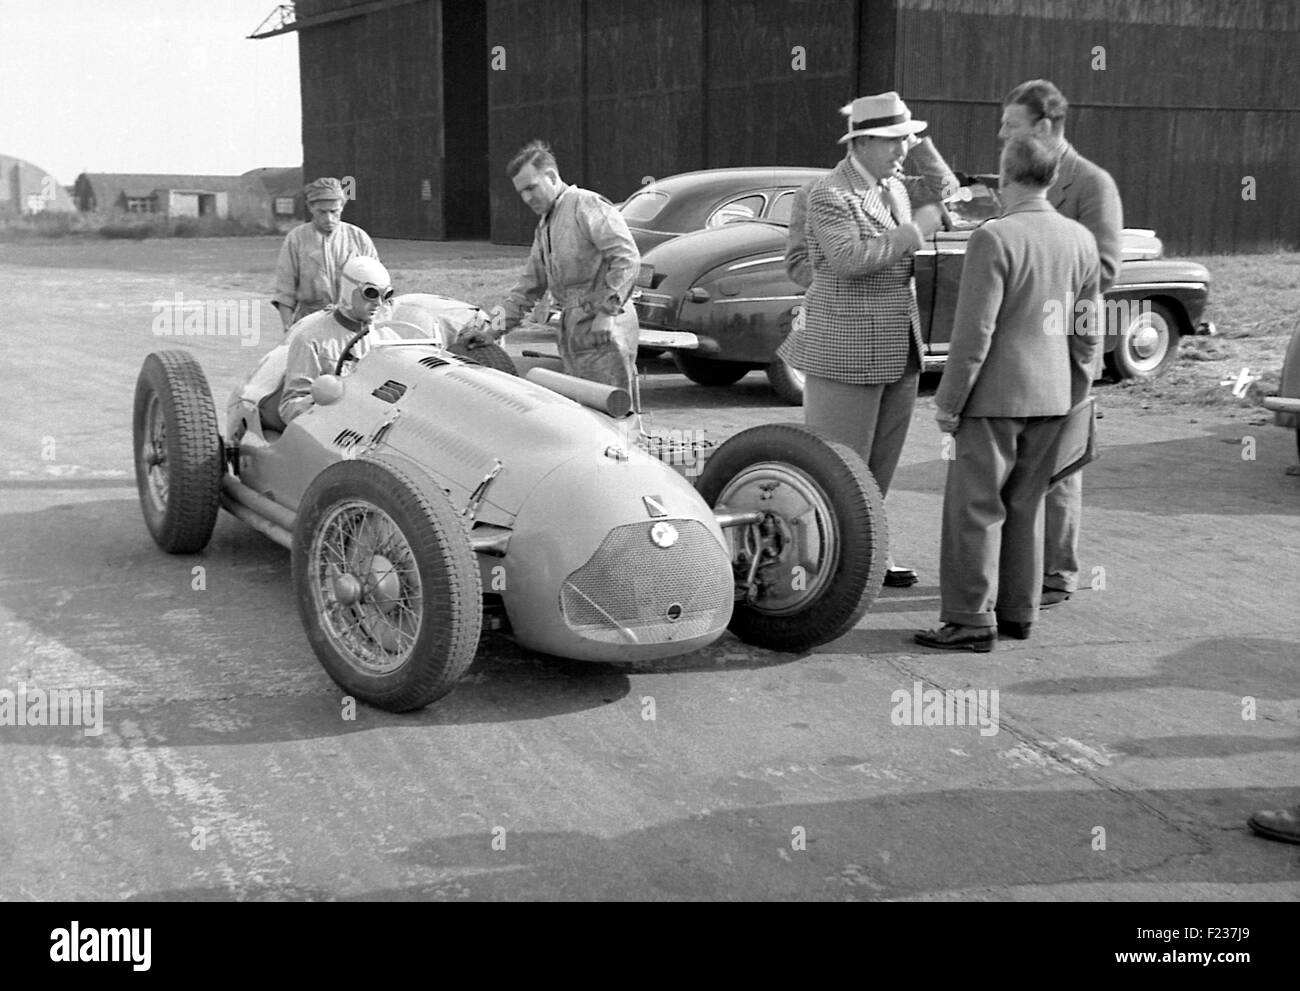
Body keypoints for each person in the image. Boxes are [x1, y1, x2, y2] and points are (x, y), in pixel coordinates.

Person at [914, 134, 1102, 652]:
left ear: (1007, 174)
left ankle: (972, 618)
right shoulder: (1081, 240)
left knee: (974, 509)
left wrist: (949, 403)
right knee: (1028, 505)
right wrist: (1076, 394)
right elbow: (1088, 332)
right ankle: (1018, 611)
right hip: (1053, 397)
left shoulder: (994, 238)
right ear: (1053, 178)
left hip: (993, 399)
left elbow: (975, 333)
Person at [777, 92, 954, 588]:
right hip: (846, 349)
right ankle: (827, 566)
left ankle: (870, 555)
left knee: (879, 467)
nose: (902, 151)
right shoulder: (830, 192)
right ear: (864, 141)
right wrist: (916, 231)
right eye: (895, 141)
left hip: (899, 346)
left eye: (906, 140)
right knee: (839, 467)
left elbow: (951, 194)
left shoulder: (893, 185)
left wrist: (923, 145)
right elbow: (849, 260)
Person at [1000, 79, 1123, 610]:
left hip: (1064, 346)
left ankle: (1056, 571)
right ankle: (1015, 569)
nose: (1001, 135)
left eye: (1011, 126)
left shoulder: (1092, 184)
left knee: (1060, 464)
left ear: (1044, 128)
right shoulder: (1016, 181)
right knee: (1017, 464)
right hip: (1017, 348)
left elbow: (1107, 270)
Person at [460, 140, 640, 392]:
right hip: (572, 330)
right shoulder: (545, 226)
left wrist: (607, 313)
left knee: (613, 413)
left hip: (605, 329)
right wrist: (491, 329)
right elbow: (524, 290)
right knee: (583, 413)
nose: (526, 198)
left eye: (532, 188)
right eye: (521, 192)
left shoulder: (585, 204)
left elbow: (627, 257)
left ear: (552, 176)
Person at [278, 256, 402, 425]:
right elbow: (289, 408)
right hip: (331, 432)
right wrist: (327, 397)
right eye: (370, 293)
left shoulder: (389, 339)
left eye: (385, 294)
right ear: (349, 291)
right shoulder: (311, 340)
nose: (378, 303)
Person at [272, 177, 380, 332]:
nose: (328, 218)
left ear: (342, 206)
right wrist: (288, 328)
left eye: (333, 211)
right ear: (310, 207)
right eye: (321, 212)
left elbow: (375, 284)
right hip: (310, 323)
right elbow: (285, 290)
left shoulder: (358, 237)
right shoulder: (296, 239)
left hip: (352, 324)